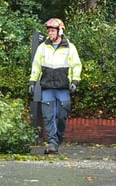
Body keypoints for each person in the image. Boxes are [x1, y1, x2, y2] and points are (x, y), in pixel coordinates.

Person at [29, 17, 82, 155]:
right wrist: (32, 82)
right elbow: (36, 65)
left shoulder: (70, 48)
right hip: (47, 87)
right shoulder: (43, 48)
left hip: (63, 88)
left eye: (53, 31)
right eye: (49, 31)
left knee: (62, 117)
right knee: (48, 116)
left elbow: (76, 65)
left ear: (60, 31)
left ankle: (58, 138)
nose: (50, 33)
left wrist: (75, 81)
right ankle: (53, 142)